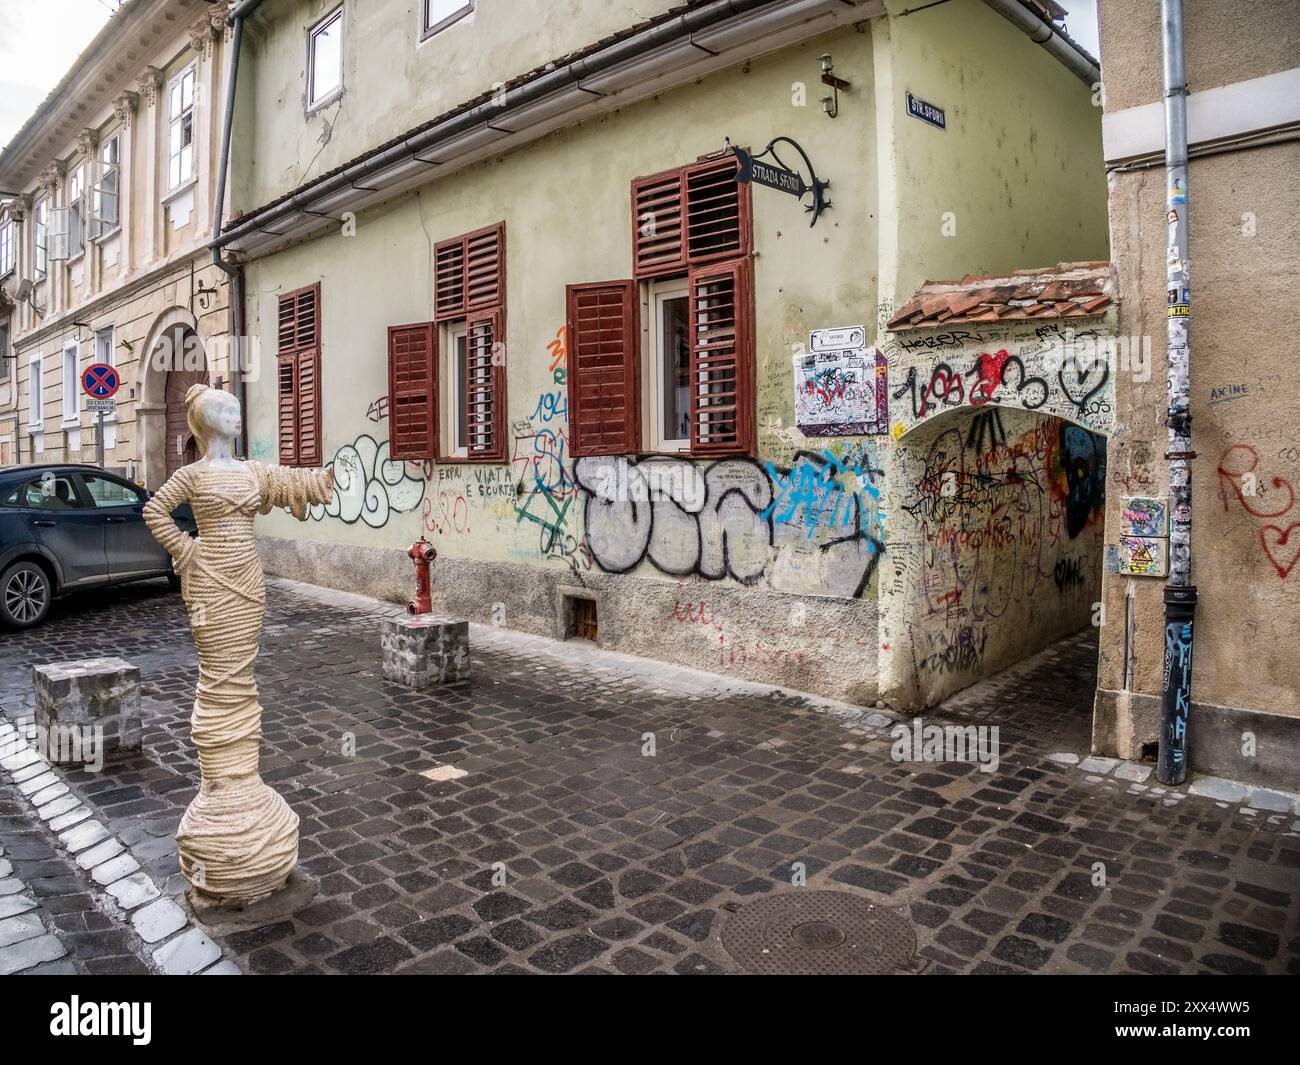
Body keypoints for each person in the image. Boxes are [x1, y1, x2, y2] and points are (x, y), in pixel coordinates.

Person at [143, 383, 333, 904]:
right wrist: (188, 550)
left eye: (237, 409)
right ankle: (225, 795)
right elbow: (154, 512)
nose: (235, 415)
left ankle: (241, 788)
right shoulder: (192, 474)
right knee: (220, 675)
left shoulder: (252, 471)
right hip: (209, 580)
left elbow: (294, 482)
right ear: (206, 422)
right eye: (225, 410)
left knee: (241, 675)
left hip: (247, 580)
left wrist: (331, 478)